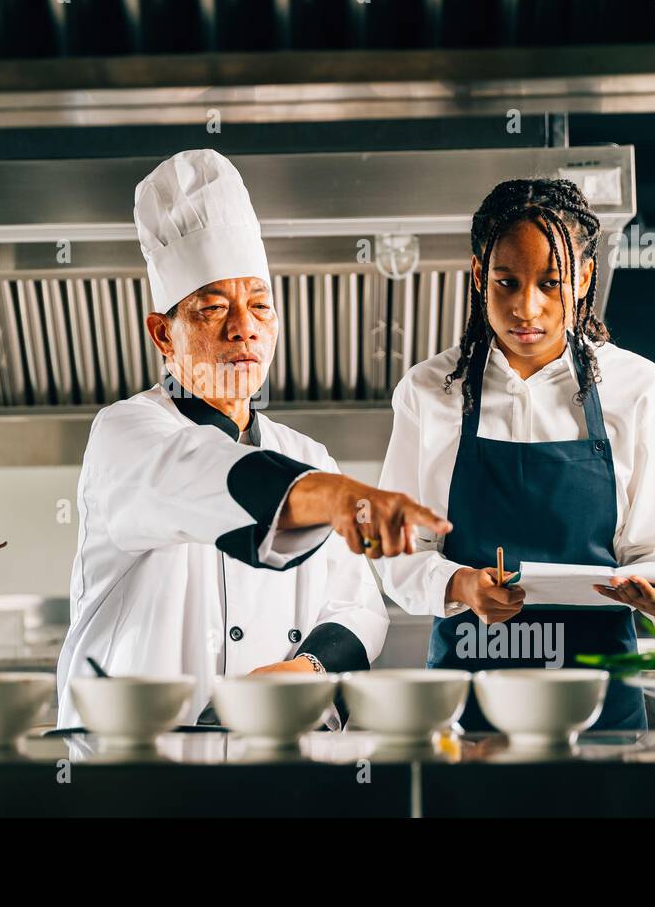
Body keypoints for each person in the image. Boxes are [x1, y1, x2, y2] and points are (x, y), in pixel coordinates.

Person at [55, 148, 450, 729]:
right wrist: (337, 498)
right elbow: (207, 474)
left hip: (271, 758)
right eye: (214, 308)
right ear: (163, 333)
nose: (244, 327)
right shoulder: (126, 433)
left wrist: (307, 670)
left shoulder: (308, 457)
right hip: (135, 765)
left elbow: (358, 608)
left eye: (260, 306)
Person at [377, 178, 655, 732]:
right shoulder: (429, 391)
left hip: (601, 708)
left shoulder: (638, 388)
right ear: (480, 275)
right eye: (507, 282)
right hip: (468, 707)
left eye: (551, 284)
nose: (527, 308)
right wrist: (460, 585)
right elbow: (399, 552)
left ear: (582, 281)